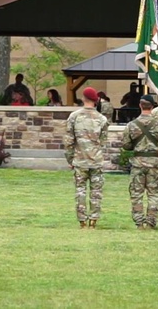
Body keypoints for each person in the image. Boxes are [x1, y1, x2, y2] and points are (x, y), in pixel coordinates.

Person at [121, 95, 158, 229]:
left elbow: (126, 145)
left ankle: (139, 222)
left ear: (140, 105)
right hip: (155, 163)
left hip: (138, 163)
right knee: (154, 193)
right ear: (152, 107)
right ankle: (151, 221)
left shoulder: (132, 125)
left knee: (136, 193)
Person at [62, 87, 109, 229]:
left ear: (83, 99)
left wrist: (70, 160)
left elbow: (69, 141)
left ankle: (82, 220)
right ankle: (94, 219)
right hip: (96, 160)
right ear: (96, 101)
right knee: (96, 191)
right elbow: (103, 141)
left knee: (80, 190)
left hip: (79, 159)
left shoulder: (74, 116)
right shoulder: (102, 119)